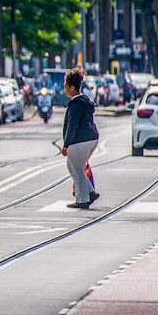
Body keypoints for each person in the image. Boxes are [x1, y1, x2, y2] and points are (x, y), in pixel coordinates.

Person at [61, 67, 100, 209]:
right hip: (92, 138)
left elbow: (72, 126)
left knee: (76, 168)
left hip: (80, 141)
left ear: (72, 88)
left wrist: (66, 144)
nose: (64, 89)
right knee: (73, 166)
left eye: (65, 86)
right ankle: (89, 192)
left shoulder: (75, 105)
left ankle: (82, 199)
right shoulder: (84, 100)